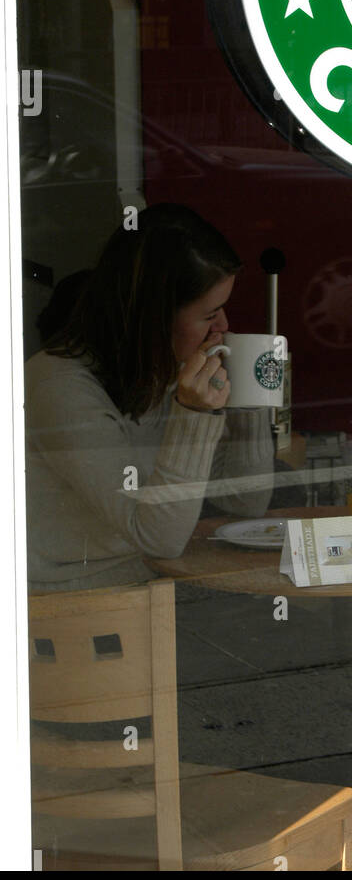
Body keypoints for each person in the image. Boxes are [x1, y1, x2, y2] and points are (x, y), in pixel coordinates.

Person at [26, 204, 275, 590]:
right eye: (210, 315)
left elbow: (244, 505)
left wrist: (248, 398)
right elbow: (157, 537)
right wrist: (192, 416)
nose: (224, 327)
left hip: (160, 585)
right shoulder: (59, 387)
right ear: (155, 318)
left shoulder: (161, 371)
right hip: (83, 609)